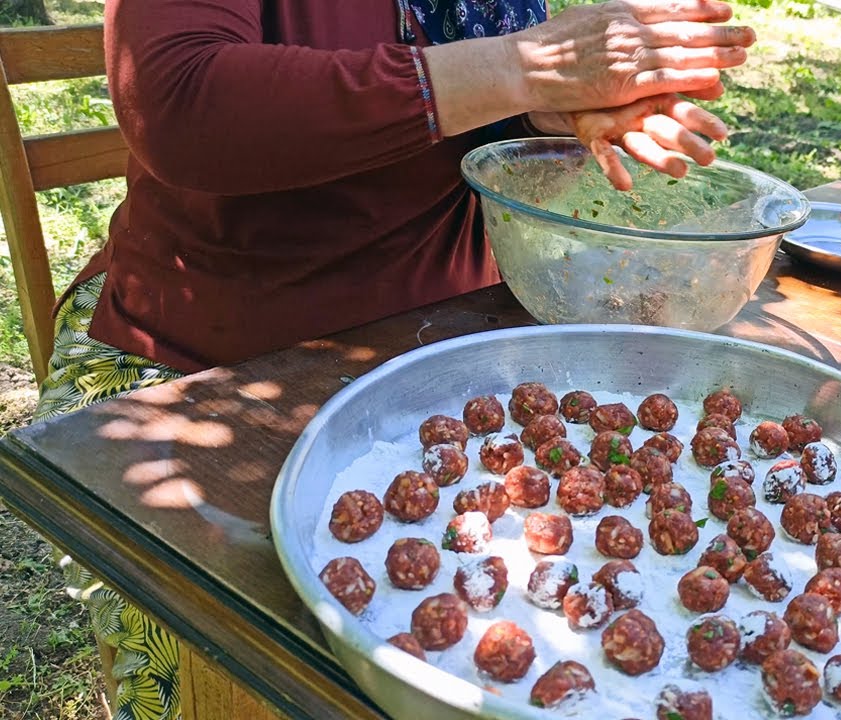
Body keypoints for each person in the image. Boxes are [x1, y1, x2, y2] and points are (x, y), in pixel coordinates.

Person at [34, 0, 755, 717]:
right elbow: (181, 101)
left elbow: (472, 123)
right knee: (221, 676)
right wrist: (527, 68)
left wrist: (548, 115)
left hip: (446, 359)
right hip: (205, 368)